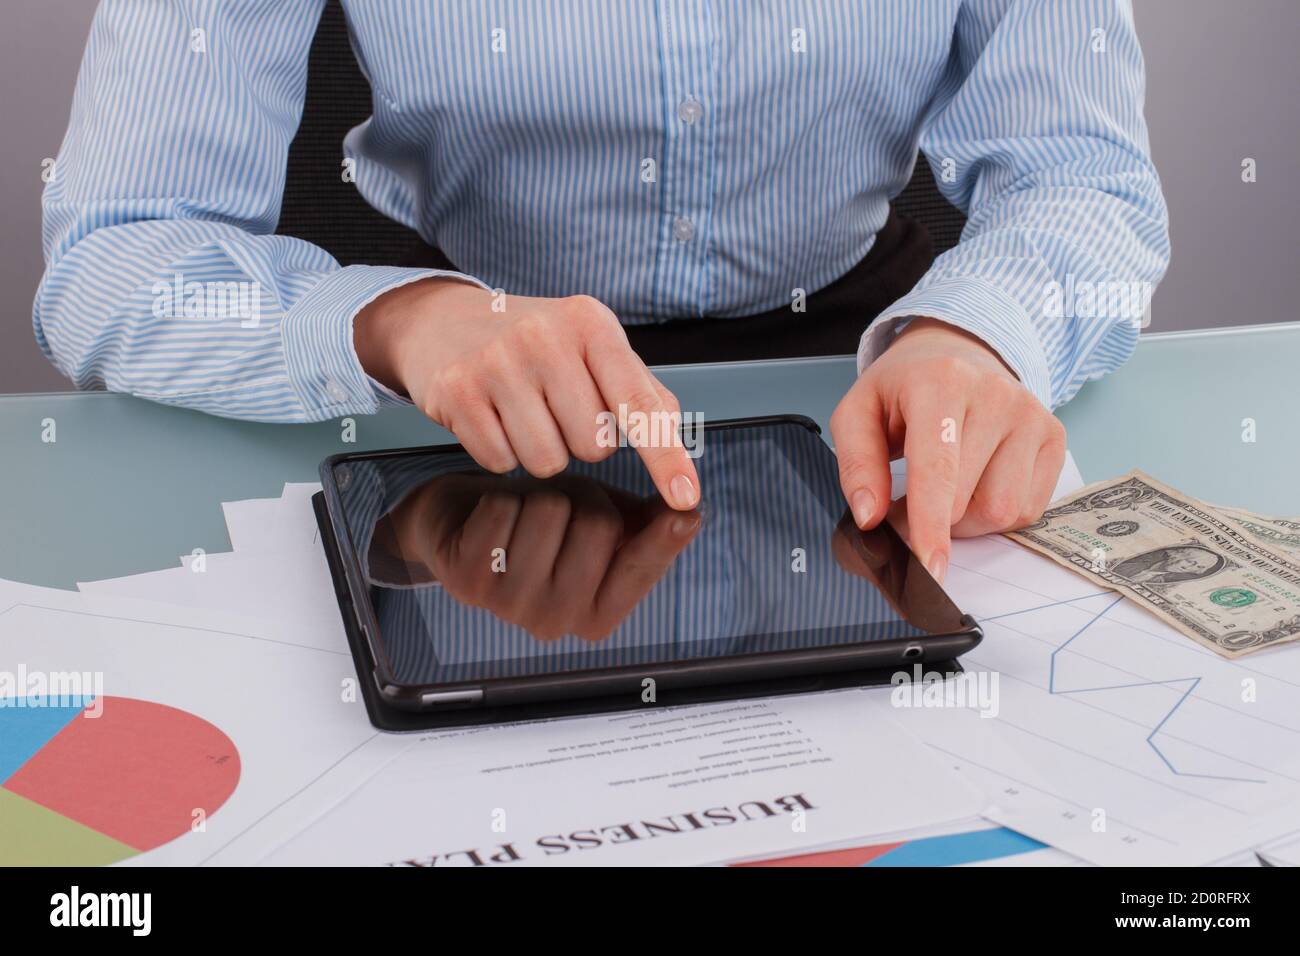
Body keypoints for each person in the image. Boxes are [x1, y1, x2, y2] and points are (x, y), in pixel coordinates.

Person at [34, 1, 1170, 585]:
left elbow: (1085, 173)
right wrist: (393, 320)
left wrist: (978, 334)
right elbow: (115, 252)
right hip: (445, 393)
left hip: (857, 374)